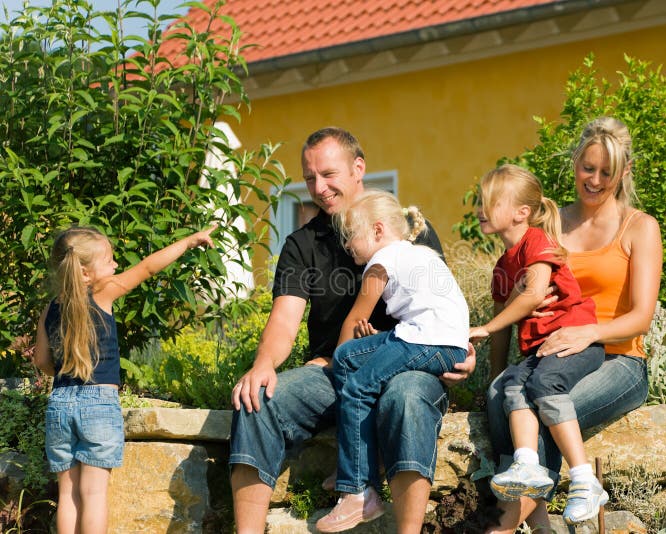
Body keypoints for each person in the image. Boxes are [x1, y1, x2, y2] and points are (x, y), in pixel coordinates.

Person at [228, 127, 475, 534]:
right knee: (257, 399)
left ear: (359, 168)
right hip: (332, 373)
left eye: (328, 174)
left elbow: (444, 303)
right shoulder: (302, 244)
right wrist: (263, 364)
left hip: (412, 368)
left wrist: (464, 351)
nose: (318, 188)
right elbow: (284, 320)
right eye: (309, 178)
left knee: (406, 398)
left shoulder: (406, 228)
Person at [485, 117, 662, 533]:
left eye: (606, 172)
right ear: (575, 163)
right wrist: (495, 369)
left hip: (618, 358)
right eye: (588, 168)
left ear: (625, 171)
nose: (595, 180)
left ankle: (504, 526)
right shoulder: (549, 226)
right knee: (498, 393)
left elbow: (641, 317)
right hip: (551, 355)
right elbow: (511, 292)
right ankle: (539, 525)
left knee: (545, 403)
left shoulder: (640, 227)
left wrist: (589, 331)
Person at [32, 225, 216, 534]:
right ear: (86, 273)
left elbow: (41, 361)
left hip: (60, 403)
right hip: (98, 406)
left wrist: (65, 373)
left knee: (68, 495)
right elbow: (147, 267)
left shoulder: (50, 308)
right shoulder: (104, 292)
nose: (116, 264)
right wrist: (188, 241)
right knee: (93, 495)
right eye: (110, 260)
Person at [316, 190, 470, 532]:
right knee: (349, 357)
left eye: (350, 235)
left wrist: (332, 374)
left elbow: (356, 317)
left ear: (377, 230)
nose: (346, 244)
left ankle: (359, 491)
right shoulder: (421, 253)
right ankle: (362, 459)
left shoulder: (381, 260)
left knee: (357, 386)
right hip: (447, 344)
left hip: (424, 338)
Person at [468, 164, 607, 524]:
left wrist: (485, 327)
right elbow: (503, 329)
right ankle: (527, 464)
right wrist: (496, 374)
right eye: (480, 202)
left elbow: (532, 295)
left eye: (490, 202)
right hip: (541, 350)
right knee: (512, 386)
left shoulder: (538, 241)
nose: (480, 209)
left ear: (521, 212)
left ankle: (584, 479)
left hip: (574, 341)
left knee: (545, 384)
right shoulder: (503, 266)